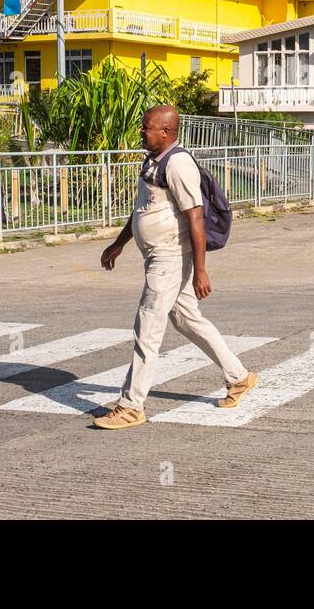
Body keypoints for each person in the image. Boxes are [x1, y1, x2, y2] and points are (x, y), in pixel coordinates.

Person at [91, 105, 258, 430]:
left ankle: (130, 406)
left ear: (166, 132)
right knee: (187, 320)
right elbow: (143, 210)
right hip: (156, 256)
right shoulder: (153, 160)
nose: (141, 131)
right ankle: (239, 377)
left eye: (147, 127)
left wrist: (201, 269)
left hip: (169, 259)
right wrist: (120, 243)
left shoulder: (178, 164)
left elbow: (195, 215)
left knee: (147, 329)